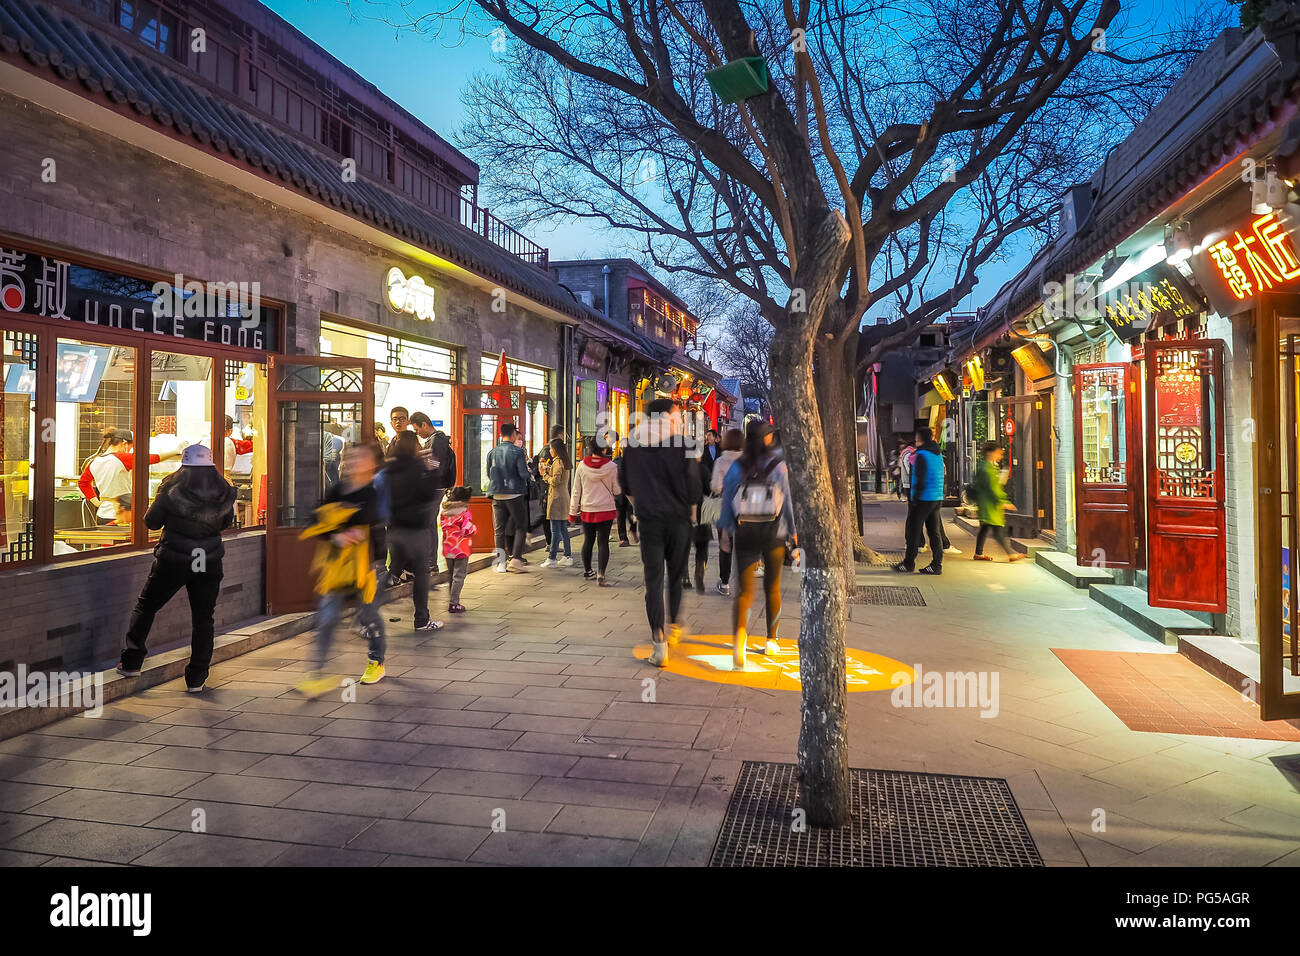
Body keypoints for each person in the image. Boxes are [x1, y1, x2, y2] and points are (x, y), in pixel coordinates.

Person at [116, 445, 236, 692]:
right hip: (208, 559)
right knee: (204, 619)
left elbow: (151, 522)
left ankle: (131, 662)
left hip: (175, 559)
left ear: (185, 464)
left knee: (147, 605)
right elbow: (226, 522)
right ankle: (196, 678)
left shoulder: (172, 488)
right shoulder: (223, 491)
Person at [298, 442, 389, 695]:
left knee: (368, 616)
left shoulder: (375, 490)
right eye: (350, 457)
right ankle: (316, 673)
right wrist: (336, 533)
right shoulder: (337, 489)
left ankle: (376, 662)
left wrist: (340, 522)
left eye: (360, 457)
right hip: (337, 565)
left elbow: (370, 519)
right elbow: (315, 519)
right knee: (326, 619)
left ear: (371, 463)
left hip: (368, 565)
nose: (352, 462)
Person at [623, 399, 700, 667]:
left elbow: (626, 485)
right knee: (676, 575)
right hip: (678, 520)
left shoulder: (632, 445)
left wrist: (639, 508)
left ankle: (658, 643)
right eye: (677, 416)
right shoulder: (683, 445)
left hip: (649, 520)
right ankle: (675, 625)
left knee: (653, 580)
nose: (679, 421)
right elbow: (693, 486)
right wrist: (692, 515)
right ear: (666, 417)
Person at [719, 421, 796, 669]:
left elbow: (727, 499)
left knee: (744, 592)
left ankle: (740, 641)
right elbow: (788, 503)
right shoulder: (778, 467)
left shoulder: (736, 467)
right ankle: (771, 640)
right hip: (772, 533)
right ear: (766, 439)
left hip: (745, 532)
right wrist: (793, 533)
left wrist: (727, 530)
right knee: (772, 587)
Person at [384, 431, 444, 631]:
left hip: (394, 529)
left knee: (393, 570)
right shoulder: (419, 468)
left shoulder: (390, 467)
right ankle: (422, 619)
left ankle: (364, 616)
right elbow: (430, 493)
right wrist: (432, 467)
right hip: (415, 531)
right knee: (421, 575)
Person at [79, 428, 181, 525]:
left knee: (107, 543)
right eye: (131, 447)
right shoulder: (122, 458)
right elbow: (153, 458)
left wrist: (96, 502)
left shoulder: (95, 461)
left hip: (103, 514)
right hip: (122, 515)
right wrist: (177, 451)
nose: (130, 451)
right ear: (124, 444)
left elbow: (83, 483)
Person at [894, 426, 945, 575]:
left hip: (923, 499)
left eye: (916, 438)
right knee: (934, 532)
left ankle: (908, 563)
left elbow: (920, 478)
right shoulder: (937, 454)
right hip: (936, 497)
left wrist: (915, 498)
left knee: (913, 531)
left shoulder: (922, 454)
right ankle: (936, 564)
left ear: (919, 439)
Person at [569, 436, 620, 584]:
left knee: (588, 540)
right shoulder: (611, 467)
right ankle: (601, 574)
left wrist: (573, 512)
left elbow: (576, 491)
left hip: (588, 509)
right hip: (606, 509)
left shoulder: (582, 466)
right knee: (603, 542)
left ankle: (587, 570)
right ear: (604, 449)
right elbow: (617, 491)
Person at [485, 421, 531, 571]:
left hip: (496, 493)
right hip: (514, 493)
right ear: (513, 435)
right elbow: (523, 474)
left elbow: (488, 473)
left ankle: (500, 563)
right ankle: (516, 559)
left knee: (499, 530)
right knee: (520, 525)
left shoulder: (492, 452)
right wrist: (531, 472)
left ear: (500, 435)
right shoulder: (517, 452)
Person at [972, 440, 1027, 563]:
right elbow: (994, 488)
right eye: (999, 453)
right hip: (990, 504)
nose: (1000, 456)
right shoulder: (988, 469)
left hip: (985, 503)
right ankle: (1011, 554)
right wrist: (1003, 501)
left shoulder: (984, 466)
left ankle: (978, 553)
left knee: (985, 527)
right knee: (997, 529)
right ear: (991, 453)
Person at [710, 428, 743, 595]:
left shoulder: (722, 461)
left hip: (726, 506)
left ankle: (724, 583)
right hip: (746, 508)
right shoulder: (748, 460)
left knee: (725, 543)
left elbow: (716, 487)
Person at [439, 486, 477, 613]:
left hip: (448, 547)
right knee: (459, 576)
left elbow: (444, 527)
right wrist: (474, 529)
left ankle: (453, 599)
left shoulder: (444, 512)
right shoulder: (464, 513)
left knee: (451, 575)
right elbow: (467, 529)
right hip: (461, 549)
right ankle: (454, 603)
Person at [540, 436, 574, 568]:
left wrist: (545, 475)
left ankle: (552, 557)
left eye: (551, 448)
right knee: (562, 529)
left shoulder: (558, 463)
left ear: (555, 449)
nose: (550, 450)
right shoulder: (562, 462)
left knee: (555, 530)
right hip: (562, 497)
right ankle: (567, 555)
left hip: (557, 499)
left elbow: (555, 481)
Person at [614, 441, 638, 547]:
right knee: (620, 516)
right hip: (619, 493)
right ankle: (623, 538)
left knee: (631, 514)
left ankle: (633, 530)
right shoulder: (616, 461)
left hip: (631, 492)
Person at [322, 422, 345, 486]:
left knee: (328, 473)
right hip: (334, 457)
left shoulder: (326, 437)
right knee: (334, 474)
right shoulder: (339, 439)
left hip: (329, 457)